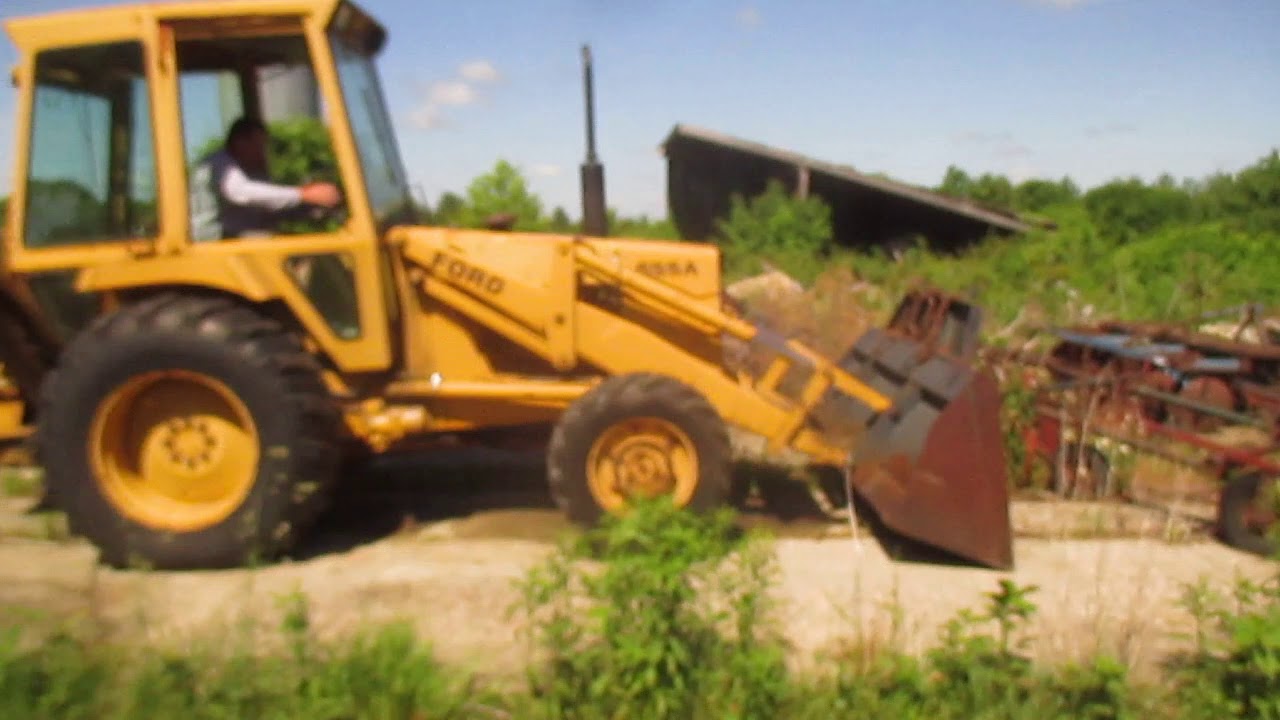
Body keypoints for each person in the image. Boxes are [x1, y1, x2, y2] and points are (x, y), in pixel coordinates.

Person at [190, 116, 342, 240]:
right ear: (241, 143)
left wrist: (309, 209)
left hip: (231, 236)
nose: (263, 152)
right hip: (213, 240)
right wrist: (304, 194)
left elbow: (263, 209)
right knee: (281, 245)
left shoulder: (245, 169)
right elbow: (241, 193)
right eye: (259, 145)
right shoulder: (220, 163)